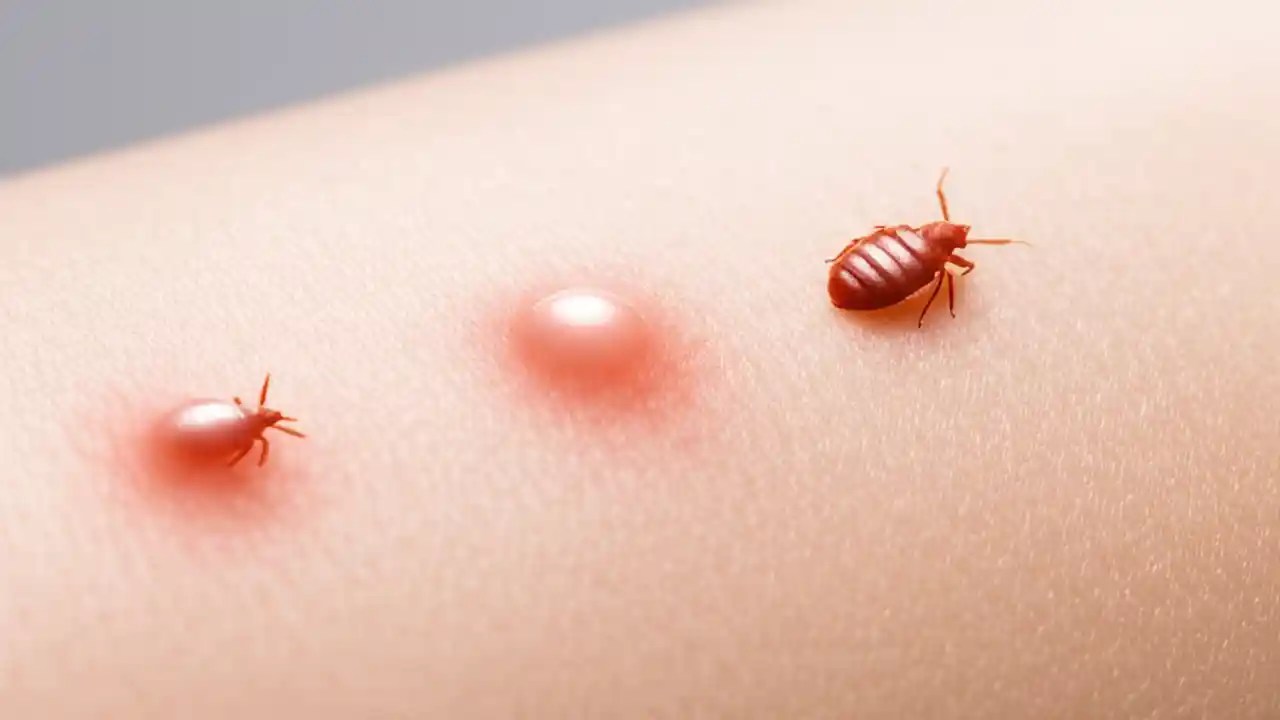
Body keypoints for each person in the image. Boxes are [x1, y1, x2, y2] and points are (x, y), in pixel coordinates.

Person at [0, 1, 1276, 716]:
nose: (939, 238)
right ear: (933, 232)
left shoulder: (932, 258)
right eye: (940, 225)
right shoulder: (934, 262)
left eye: (939, 236)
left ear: (931, 244)